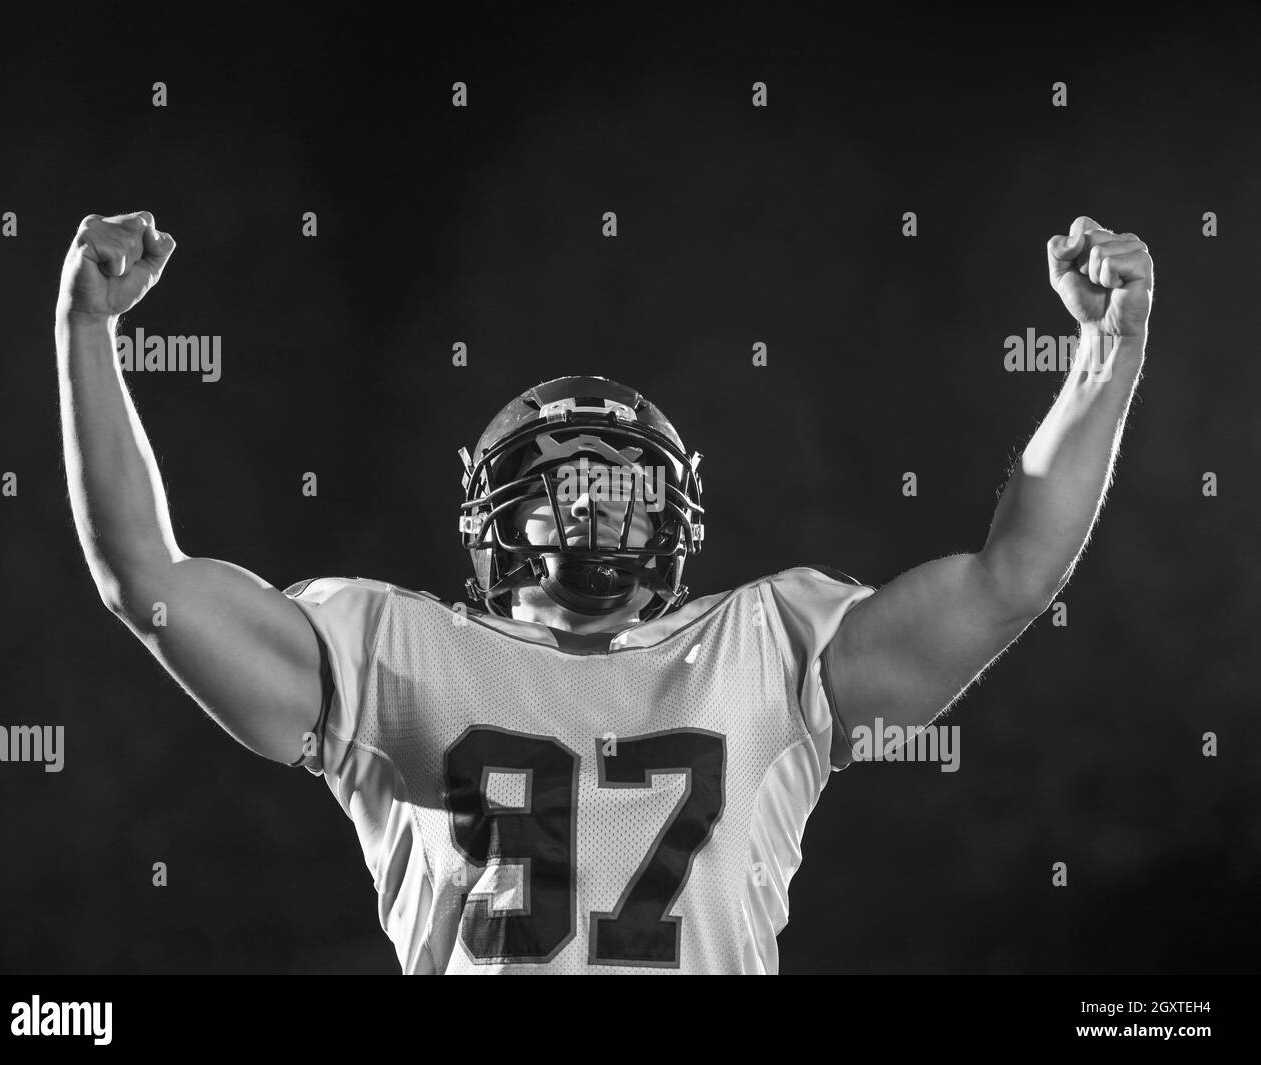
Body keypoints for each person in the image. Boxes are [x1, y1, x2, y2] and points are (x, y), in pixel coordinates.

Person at [56, 210, 1153, 973]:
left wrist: (1107, 353)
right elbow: (142, 576)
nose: (596, 515)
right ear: (494, 518)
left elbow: (1013, 574)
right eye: (567, 488)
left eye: (621, 490)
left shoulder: (766, 644)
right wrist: (86, 333)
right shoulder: (389, 650)